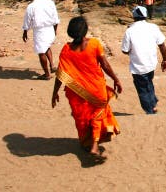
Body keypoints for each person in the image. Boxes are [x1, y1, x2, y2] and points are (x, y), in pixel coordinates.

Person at [52, 16, 122, 160]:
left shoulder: (66, 49)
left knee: (82, 118)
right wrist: (116, 79)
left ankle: (87, 143)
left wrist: (55, 93)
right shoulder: (94, 44)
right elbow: (105, 64)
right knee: (98, 114)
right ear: (85, 30)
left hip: (75, 92)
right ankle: (95, 144)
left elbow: (61, 74)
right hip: (96, 88)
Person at [121, 6, 166, 114]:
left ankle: (150, 110)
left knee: (142, 89)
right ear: (145, 16)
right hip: (151, 64)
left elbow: (124, 50)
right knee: (149, 82)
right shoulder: (153, 27)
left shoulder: (130, 31)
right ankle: (153, 103)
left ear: (134, 16)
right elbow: (162, 45)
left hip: (138, 66)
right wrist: (165, 60)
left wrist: (132, 51)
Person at [22, 0, 60, 80]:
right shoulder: (50, 3)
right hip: (50, 29)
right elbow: (55, 18)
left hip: (39, 31)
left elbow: (27, 20)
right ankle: (52, 66)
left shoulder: (31, 6)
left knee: (41, 52)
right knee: (47, 46)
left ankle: (47, 74)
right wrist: (55, 30)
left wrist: (25, 31)